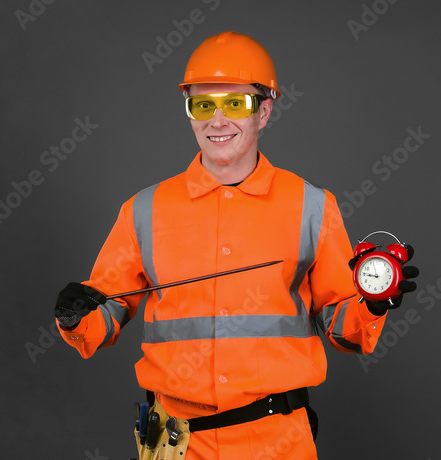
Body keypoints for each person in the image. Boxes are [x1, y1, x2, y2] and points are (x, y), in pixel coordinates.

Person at [52, 31, 420, 459]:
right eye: (203, 105)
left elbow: (342, 323)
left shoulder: (312, 206)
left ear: (264, 112)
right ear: (189, 112)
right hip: (176, 445)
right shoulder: (144, 210)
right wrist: (74, 317)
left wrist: (372, 305)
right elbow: (104, 313)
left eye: (236, 103)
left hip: (278, 443)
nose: (218, 120)